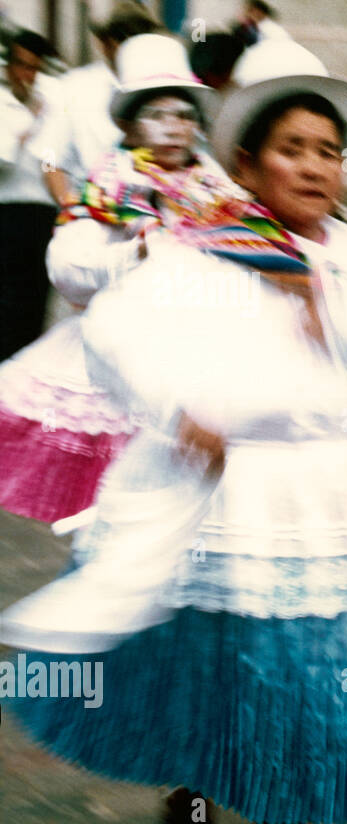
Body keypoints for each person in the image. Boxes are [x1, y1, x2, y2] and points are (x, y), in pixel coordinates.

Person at [0, 40, 347, 824]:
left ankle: (284, 811)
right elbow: (117, 331)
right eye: (291, 150)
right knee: (207, 660)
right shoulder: (204, 250)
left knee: (309, 668)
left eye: (328, 153)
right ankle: (194, 790)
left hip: (325, 493)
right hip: (220, 489)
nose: (314, 168)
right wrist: (179, 408)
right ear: (246, 164)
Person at [0, 33, 240, 523]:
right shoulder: (109, 186)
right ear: (130, 125)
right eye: (159, 115)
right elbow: (67, 269)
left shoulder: (214, 184)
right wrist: (134, 254)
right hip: (127, 362)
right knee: (120, 511)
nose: (174, 129)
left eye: (185, 116)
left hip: (206, 353)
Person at [46, 1, 159, 200]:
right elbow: (49, 158)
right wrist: (69, 207)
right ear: (104, 42)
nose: (133, 44)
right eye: (124, 36)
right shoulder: (73, 87)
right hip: (92, 207)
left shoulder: (163, 86)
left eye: (140, 35)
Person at [0, 29, 64, 361]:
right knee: (7, 297)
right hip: (8, 211)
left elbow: (54, 156)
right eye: (22, 66)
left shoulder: (49, 101)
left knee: (37, 297)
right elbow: (3, 160)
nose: (28, 75)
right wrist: (32, 122)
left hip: (41, 211)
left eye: (34, 68)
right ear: (9, 67)